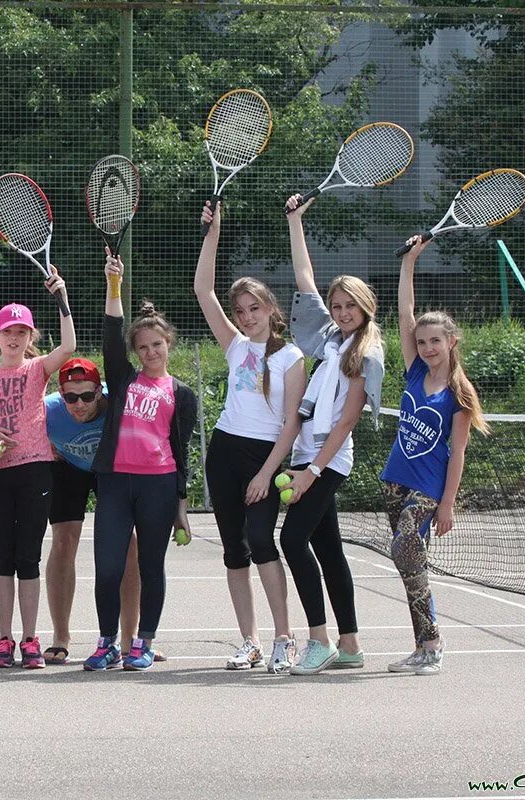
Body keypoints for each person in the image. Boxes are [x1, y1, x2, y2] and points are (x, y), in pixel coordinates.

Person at [194, 201, 304, 674]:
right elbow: (202, 289)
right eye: (240, 311)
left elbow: (291, 424)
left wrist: (266, 473)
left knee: (262, 540)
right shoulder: (235, 345)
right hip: (224, 452)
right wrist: (213, 233)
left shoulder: (291, 357)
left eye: (254, 308)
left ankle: (284, 638)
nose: (246, 317)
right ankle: (250, 641)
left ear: (269, 308)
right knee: (234, 550)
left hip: (265, 458)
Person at [282, 194, 386, 675]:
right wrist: (295, 222)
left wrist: (312, 472)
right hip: (308, 454)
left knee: (291, 541)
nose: (342, 312)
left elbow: (346, 421)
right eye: (337, 305)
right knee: (328, 548)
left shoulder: (366, 352)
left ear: (365, 307)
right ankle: (350, 644)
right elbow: (305, 279)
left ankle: (318, 640)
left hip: (328, 457)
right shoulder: (330, 339)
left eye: (350, 306)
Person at [83, 251, 197, 672]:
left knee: (151, 566)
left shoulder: (181, 393)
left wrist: (181, 505)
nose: (149, 352)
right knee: (108, 567)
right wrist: (114, 285)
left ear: (168, 344)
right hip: (114, 483)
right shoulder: (124, 378)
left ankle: (143, 642)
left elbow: (181, 452)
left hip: (159, 486)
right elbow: (112, 333)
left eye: (156, 344)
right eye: (142, 347)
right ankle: (106, 642)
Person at [383, 235, 490, 676]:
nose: (427, 348)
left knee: (406, 545)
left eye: (435, 341)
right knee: (409, 566)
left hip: (428, 488)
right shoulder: (413, 372)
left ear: (451, 342)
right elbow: (405, 313)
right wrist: (409, 260)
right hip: (395, 480)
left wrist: (448, 504)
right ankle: (422, 645)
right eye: (422, 341)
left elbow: (458, 453)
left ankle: (434, 642)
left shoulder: (458, 393)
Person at [0, 269, 75, 669]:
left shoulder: (36, 370)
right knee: (1, 558)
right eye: (7, 332)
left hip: (35, 470)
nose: (14, 338)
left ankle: (30, 638)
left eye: (22, 332)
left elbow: (70, 345)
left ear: (31, 339)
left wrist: (61, 297)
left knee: (28, 557)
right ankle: (4, 638)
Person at [42, 358, 163, 665]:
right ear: (60, 393)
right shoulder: (49, 410)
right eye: (71, 397)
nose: (79, 404)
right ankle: (61, 637)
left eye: (86, 396)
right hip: (67, 467)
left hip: (110, 468)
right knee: (63, 541)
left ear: (99, 392)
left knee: (129, 544)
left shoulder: (120, 403)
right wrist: (44, 446)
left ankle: (128, 640)